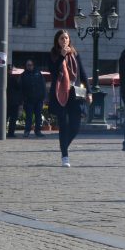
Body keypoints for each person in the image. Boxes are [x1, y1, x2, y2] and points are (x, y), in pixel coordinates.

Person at [48, 30, 87, 167]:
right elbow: (53, 71)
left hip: (75, 93)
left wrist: (89, 92)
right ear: (57, 41)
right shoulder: (53, 55)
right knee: (63, 125)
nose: (64, 40)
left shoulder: (75, 54)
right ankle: (65, 155)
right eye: (61, 38)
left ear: (69, 40)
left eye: (66, 38)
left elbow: (82, 73)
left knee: (75, 126)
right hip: (60, 93)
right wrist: (61, 57)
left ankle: (64, 145)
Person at [11, 59, 46, 138]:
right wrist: (22, 100)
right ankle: (27, 131)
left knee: (38, 116)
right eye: (28, 65)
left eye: (30, 65)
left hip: (38, 99)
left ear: (33, 65)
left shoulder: (38, 73)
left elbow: (43, 85)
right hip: (28, 100)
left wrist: (43, 97)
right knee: (29, 117)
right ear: (26, 66)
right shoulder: (23, 75)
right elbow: (20, 88)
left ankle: (38, 131)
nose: (29, 66)